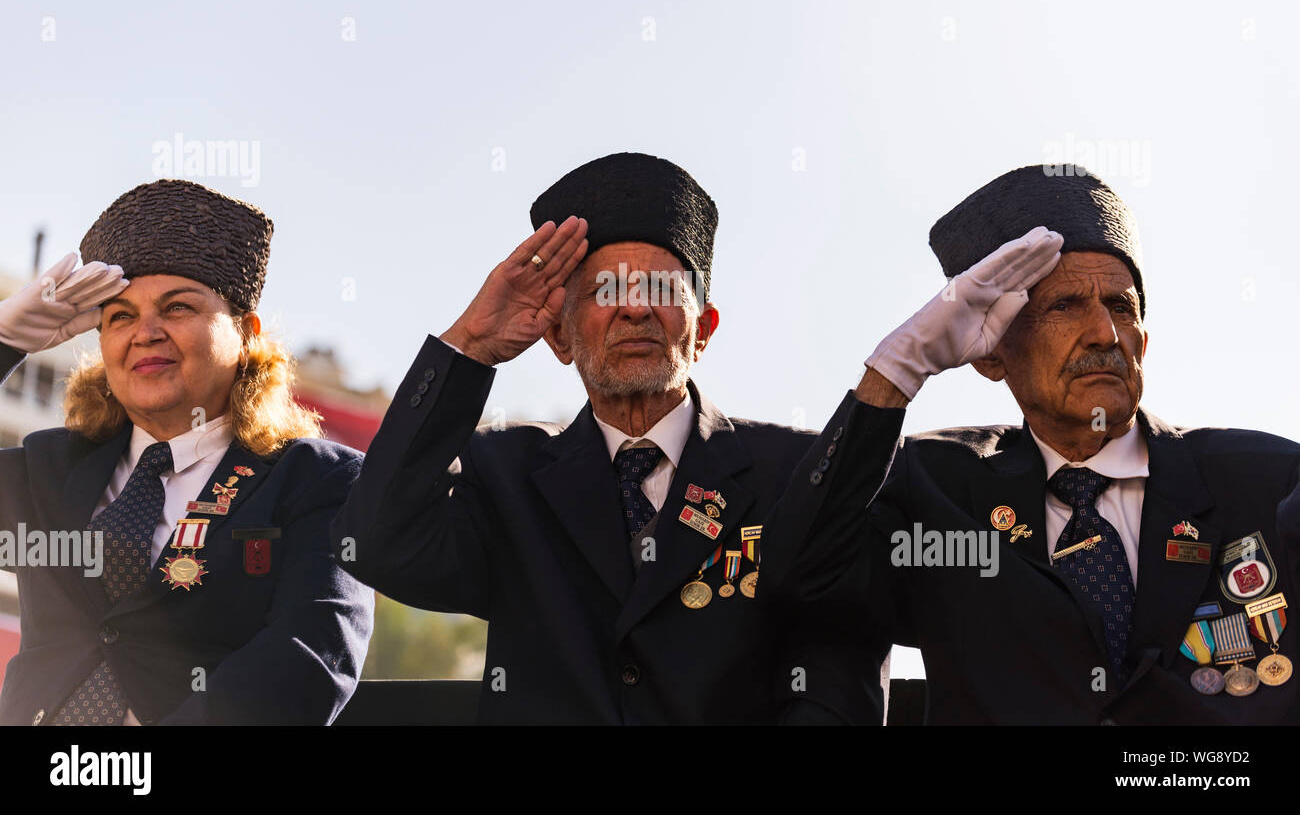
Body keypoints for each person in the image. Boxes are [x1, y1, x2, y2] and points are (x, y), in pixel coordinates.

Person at [332, 151, 884, 724]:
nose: (637, 307)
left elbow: (836, 674)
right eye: (604, 290)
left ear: (704, 331)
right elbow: (375, 542)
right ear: (558, 336)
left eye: (664, 289)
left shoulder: (799, 473)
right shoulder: (504, 475)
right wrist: (471, 345)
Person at [760, 164, 1300, 724]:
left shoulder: (1266, 479)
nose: (1104, 334)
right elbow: (800, 576)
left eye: (1122, 307)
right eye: (1064, 305)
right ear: (990, 354)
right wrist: (898, 368)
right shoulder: (934, 489)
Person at [0, 178, 373, 725]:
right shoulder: (48, 468)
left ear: (246, 332)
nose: (145, 332)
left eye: (177, 308)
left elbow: (307, 661)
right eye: (120, 315)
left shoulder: (318, 482)